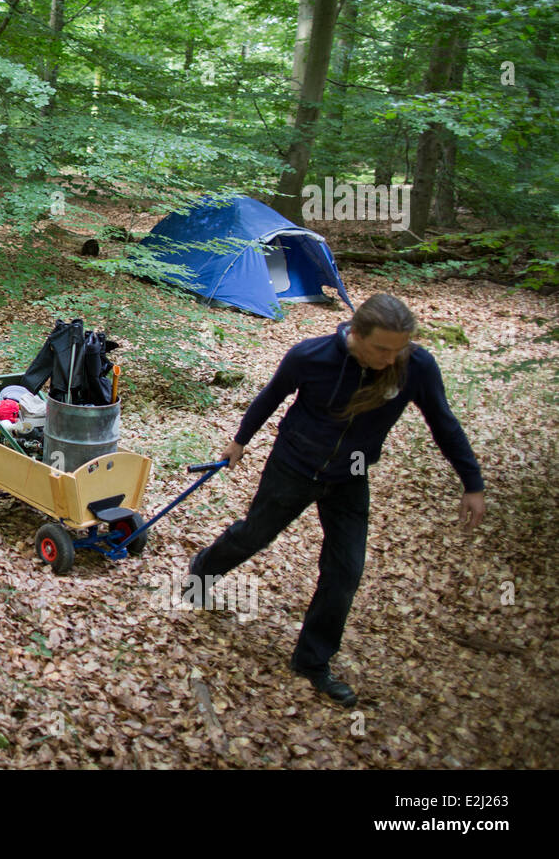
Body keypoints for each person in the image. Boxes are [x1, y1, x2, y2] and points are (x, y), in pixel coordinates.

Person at [184, 293, 486, 706]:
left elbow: (444, 423)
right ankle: (203, 569)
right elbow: (271, 397)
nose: (391, 358)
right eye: (382, 348)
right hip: (294, 465)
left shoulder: (415, 366)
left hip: (351, 476)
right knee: (253, 535)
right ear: (356, 334)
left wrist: (472, 483)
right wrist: (239, 441)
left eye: (399, 349)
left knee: (345, 569)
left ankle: (312, 662)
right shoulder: (311, 356)